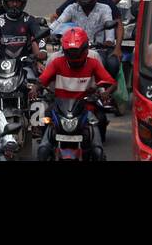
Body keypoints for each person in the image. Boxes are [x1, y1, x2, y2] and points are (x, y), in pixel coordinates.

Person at [36, 27, 112, 161]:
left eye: (76, 52)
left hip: (86, 109)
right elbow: (42, 80)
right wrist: (35, 88)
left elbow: (110, 82)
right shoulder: (56, 61)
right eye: (70, 52)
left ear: (84, 49)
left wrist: (105, 93)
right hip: (59, 108)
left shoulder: (93, 62)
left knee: (98, 150)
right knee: (44, 124)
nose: (73, 55)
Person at [50, 0, 120, 72]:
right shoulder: (71, 8)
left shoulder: (105, 9)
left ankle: (104, 86)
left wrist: (108, 41)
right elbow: (57, 24)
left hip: (96, 50)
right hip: (72, 50)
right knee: (52, 61)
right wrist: (51, 33)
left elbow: (110, 36)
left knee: (112, 64)